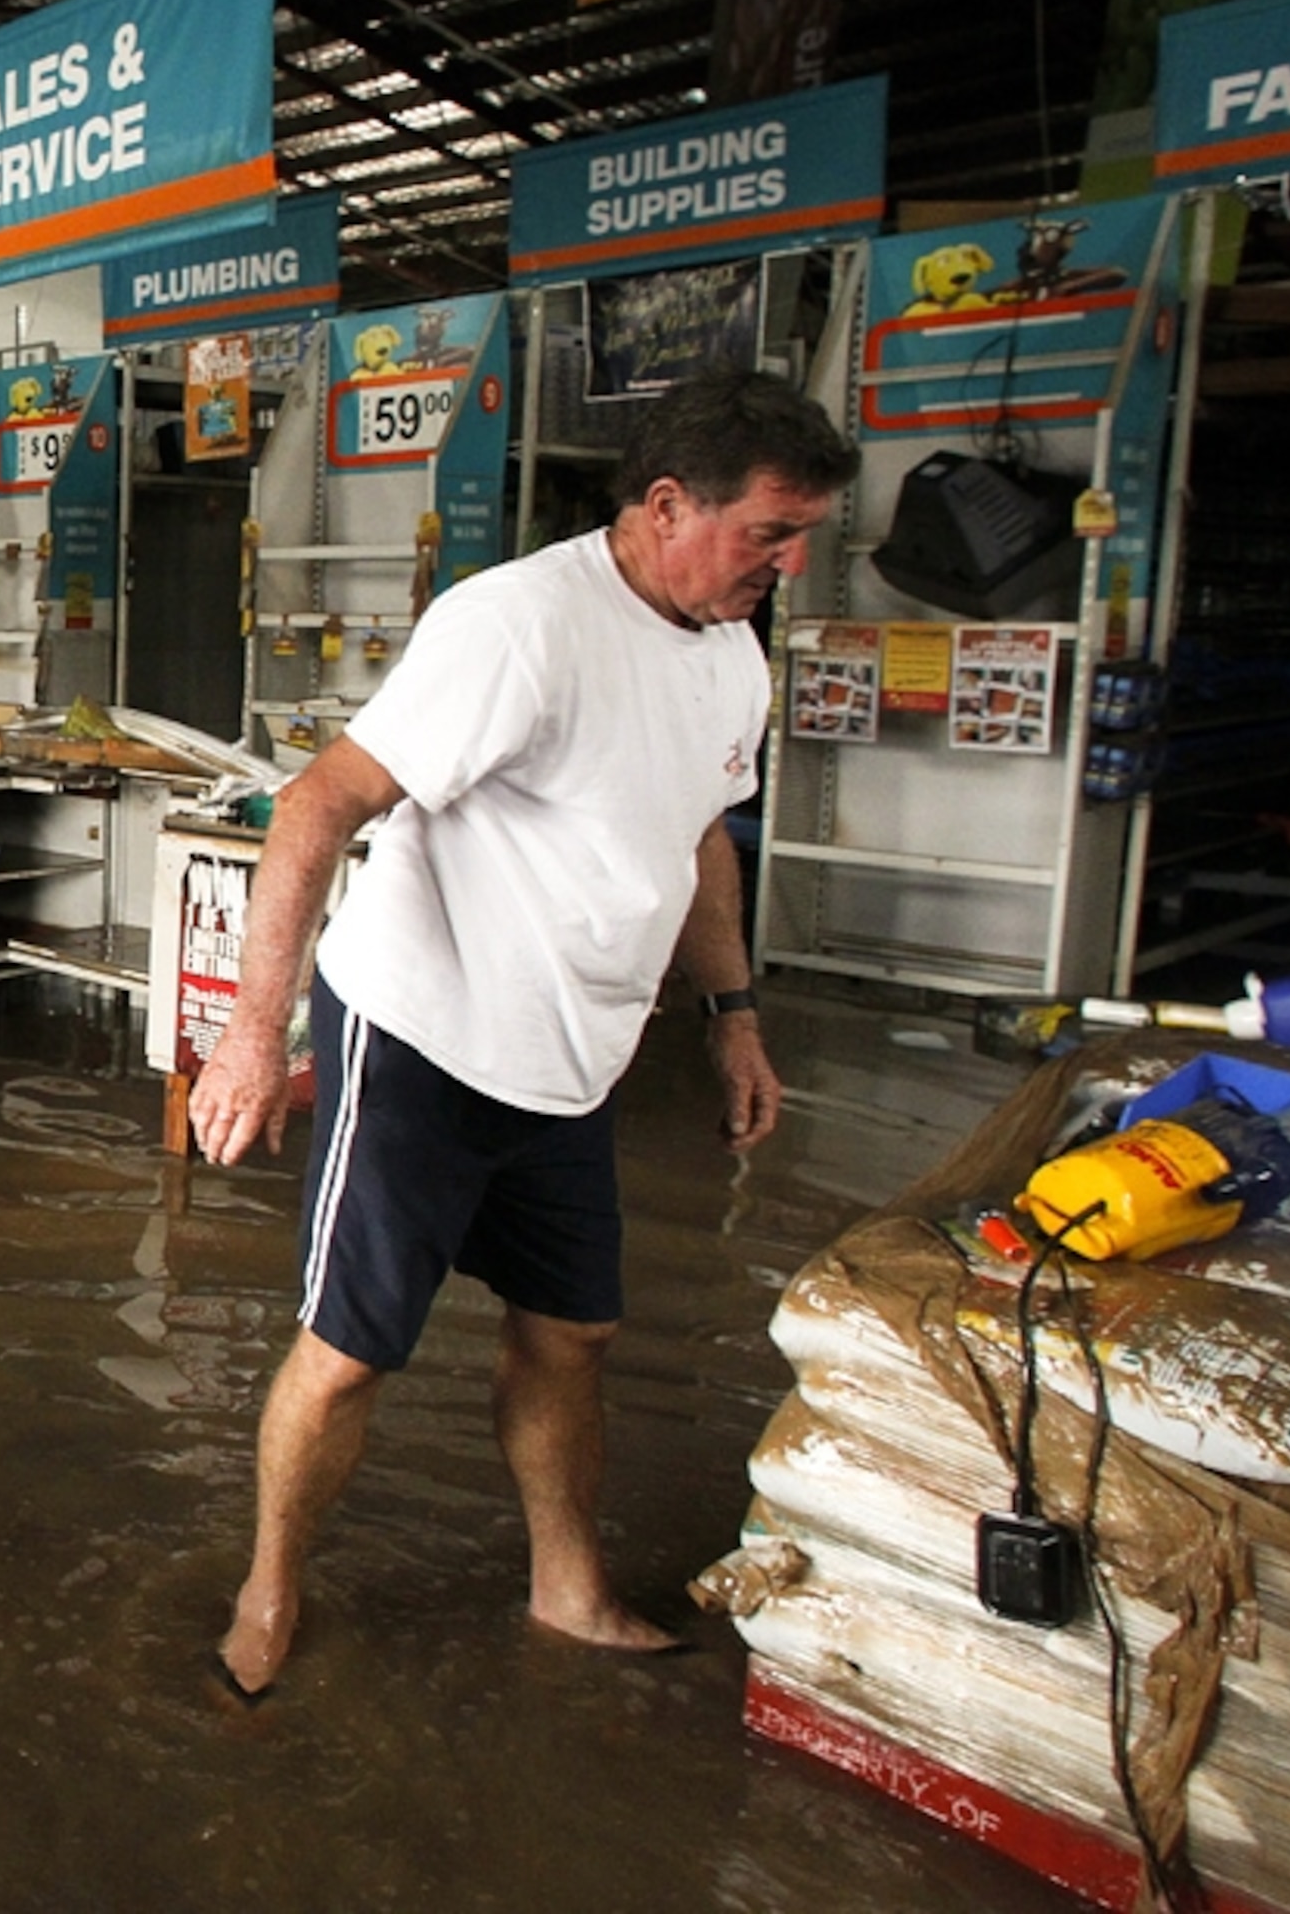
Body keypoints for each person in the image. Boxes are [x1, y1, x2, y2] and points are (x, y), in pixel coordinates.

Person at [188, 367, 856, 1697]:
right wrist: (254, 1032)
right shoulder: (520, 626)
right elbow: (317, 807)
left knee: (573, 1335)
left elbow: (703, 842)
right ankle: (269, 1590)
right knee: (350, 1351)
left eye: (801, 540)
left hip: (573, 1059)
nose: (786, 565)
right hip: (425, 1038)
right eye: (769, 534)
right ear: (668, 505)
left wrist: (734, 1019)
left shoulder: (730, 652)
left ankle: (566, 1584)